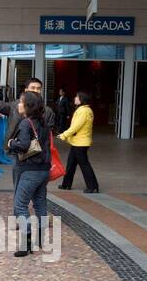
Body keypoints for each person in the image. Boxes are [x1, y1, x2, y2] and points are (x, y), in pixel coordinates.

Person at [7, 91, 52, 257]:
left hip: (30, 170)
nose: (18, 105)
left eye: (21, 102)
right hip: (44, 170)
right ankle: (40, 240)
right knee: (40, 204)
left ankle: (25, 245)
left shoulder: (26, 123)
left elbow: (24, 145)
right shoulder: (43, 122)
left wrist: (12, 143)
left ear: (28, 107)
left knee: (20, 205)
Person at [56, 91, 98, 193]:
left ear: (81, 100)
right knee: (71, 164)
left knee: (84, 165)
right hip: (77, 142)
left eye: (77, 97)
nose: (75, 98)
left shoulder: (83, 111)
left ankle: (92, 187)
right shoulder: (84, 110)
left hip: (80, 143)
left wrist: (64, 135)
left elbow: (75, 127)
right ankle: (66, 184)